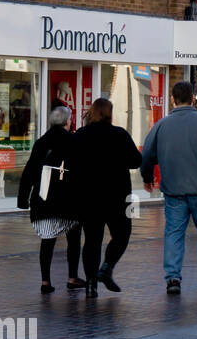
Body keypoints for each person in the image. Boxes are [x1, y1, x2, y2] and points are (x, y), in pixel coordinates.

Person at [141, 81, 197, 294]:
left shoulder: (161, 126)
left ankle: (173, 278)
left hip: (173, 190)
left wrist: (147, 177)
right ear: (193, 98)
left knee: (174, 232)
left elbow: (146, 154)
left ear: (173, 99)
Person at [72, 98, 142, 296]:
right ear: (110, 113)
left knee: (92, 240)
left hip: (88, 197)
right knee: (122, 234)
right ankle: (107, 267)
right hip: (118, 196)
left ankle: (91, 285)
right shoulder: (119, 134)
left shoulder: (81, 135)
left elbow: (71, 164)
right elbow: (136, 161)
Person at [16, 106, 84, 295]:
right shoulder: (74, 141)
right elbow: (82, 172)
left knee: (47, 241)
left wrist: (23, 199)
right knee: (74, 238)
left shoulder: (41, 142)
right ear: (67, 122)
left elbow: (29, 171)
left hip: (44, 199)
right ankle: (72, 277)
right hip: (69, 200)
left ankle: (45, 281)